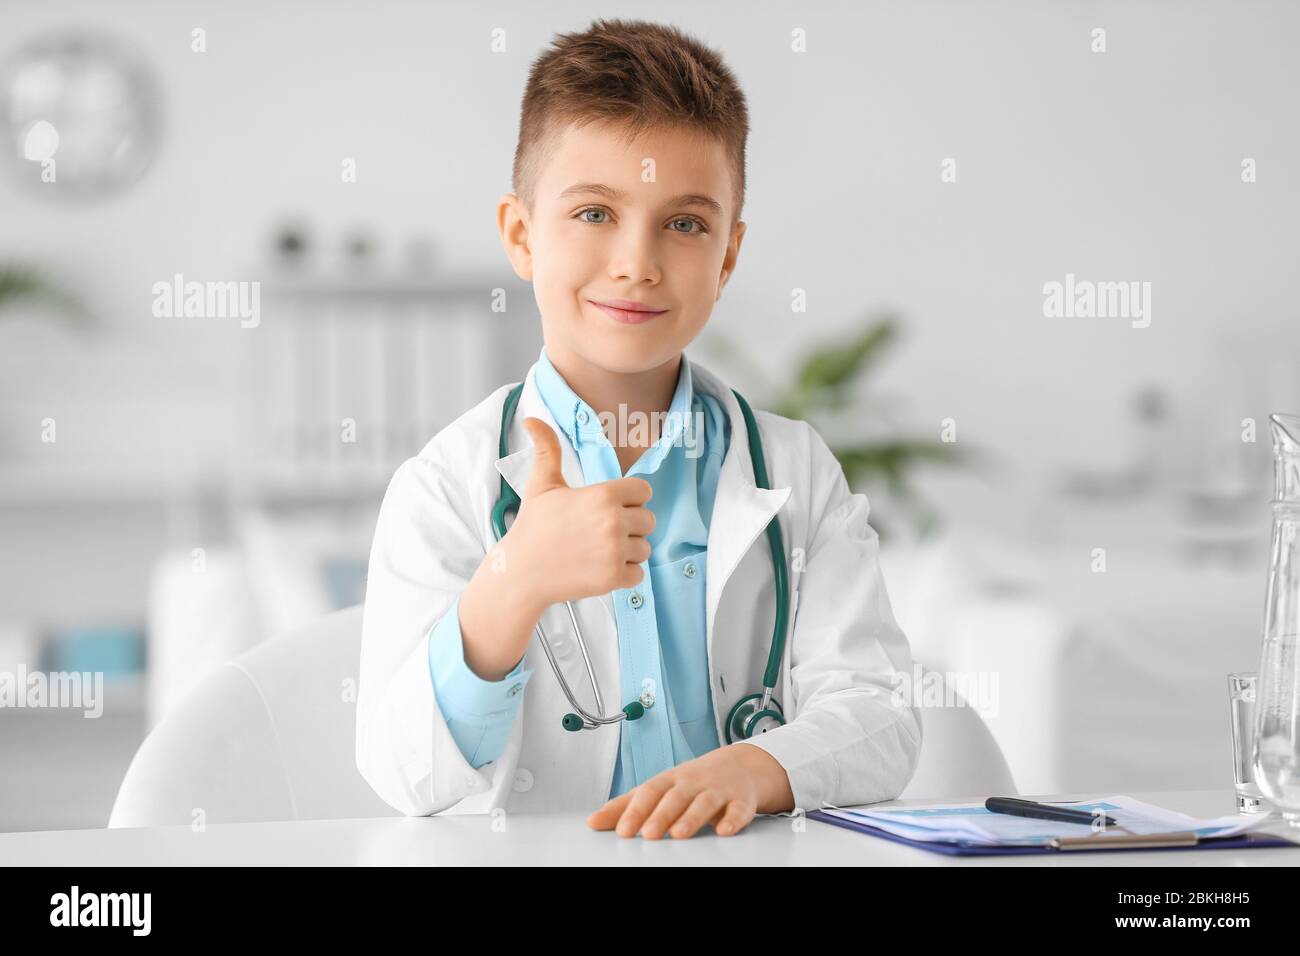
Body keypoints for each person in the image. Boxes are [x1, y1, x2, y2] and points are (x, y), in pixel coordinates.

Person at [356, 17, 921, 839]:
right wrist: (514, 582)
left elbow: (881, 719)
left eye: (685, 223)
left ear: (727, 256)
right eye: (593, 213)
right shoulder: (444, 487)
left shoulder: (796, 469)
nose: (637, 262)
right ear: (520, 234)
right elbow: (404, 772)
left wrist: (762, 769)